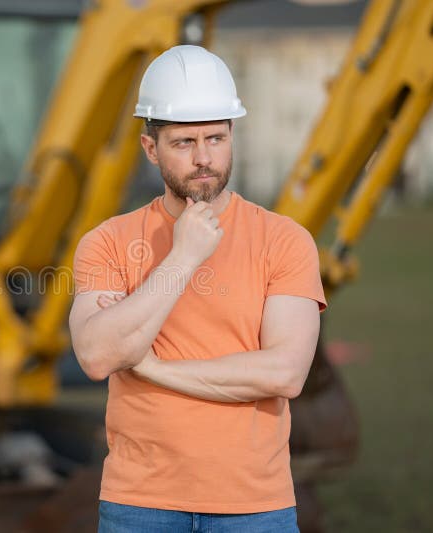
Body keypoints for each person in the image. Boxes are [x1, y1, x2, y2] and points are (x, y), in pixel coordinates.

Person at [69, 45, 327, 533]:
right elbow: (98, 355)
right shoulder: (107, 242)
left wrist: (151, 365)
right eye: (184, 142)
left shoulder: (285, 241)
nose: (204, 158)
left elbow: (284, 373)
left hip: (255, 507)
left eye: (216, 138)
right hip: (138, 504)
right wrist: (183, 257)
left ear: (233, 135)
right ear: (151, 148)